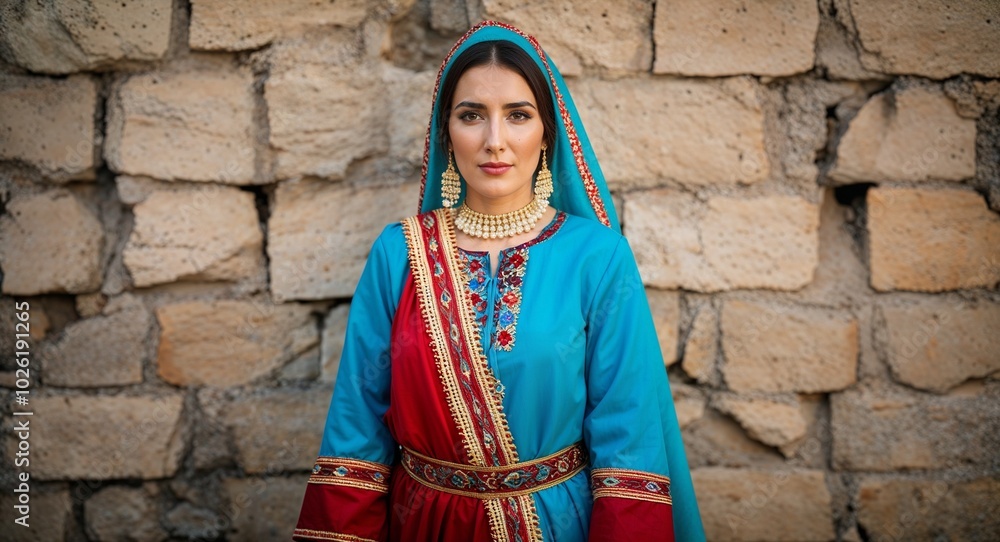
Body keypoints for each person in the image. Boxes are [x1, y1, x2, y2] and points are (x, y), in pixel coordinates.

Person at [293, 20, 704, 542]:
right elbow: (356, 427)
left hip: (557, 525)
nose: (494, 141)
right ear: (446, 132)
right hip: (424, 525)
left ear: (547, 132)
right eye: (471, 116)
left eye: (518, 115)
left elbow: (629, 435)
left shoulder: (597, 257)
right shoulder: (399, 253)